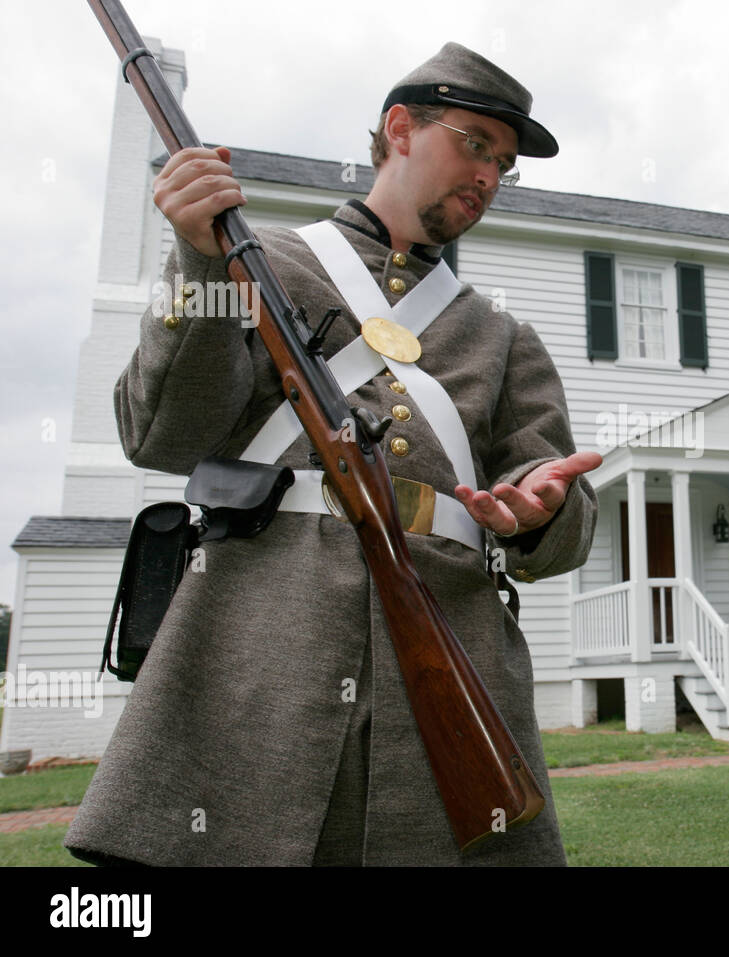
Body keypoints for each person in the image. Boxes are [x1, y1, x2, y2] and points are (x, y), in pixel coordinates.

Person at [66, 43, 598, 866]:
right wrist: (199, 259)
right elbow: (161, 435)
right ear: (400, 129)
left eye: (505, 165)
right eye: (476, 145)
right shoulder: (254, 259)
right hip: (266, 641)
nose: (491, 176)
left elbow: (555, 508)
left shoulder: (502, 336)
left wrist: (543, 509)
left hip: (452, 645)